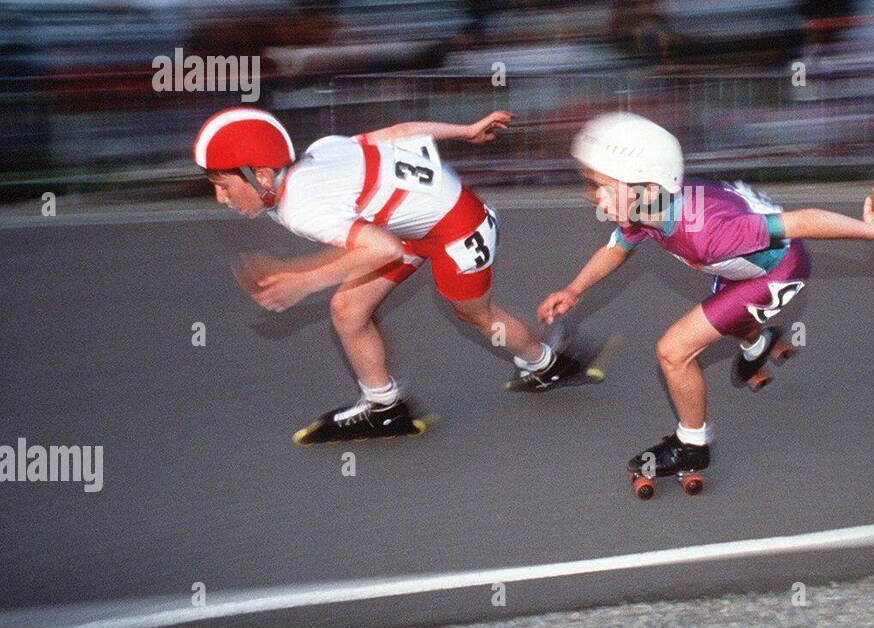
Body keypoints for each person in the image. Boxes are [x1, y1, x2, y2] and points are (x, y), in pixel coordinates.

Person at [539, 112, 874, 484]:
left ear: (647, 188)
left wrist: (867, 231)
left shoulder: (710, 232)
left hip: (778, 268)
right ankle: (759, 344)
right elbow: (616, 249)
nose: (596, 197)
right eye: (593, 185)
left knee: (673, 351)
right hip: (738, 266)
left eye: (604, 186)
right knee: (727, 319)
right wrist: (574, 288)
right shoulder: (645, 203)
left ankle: (693, 444)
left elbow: (802, 221)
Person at [194, 106, 585, 444]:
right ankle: (384, 406)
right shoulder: (320, 151)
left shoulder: (301, 205)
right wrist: (464, 131)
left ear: (262, 176)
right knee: (348, 309)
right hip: (410, 224)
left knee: (477, 316)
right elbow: (400, 134)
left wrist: (301, 281)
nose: (220, 198)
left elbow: (383, 251)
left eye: (223, 185)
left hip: (456, 228)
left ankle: (546, 364)